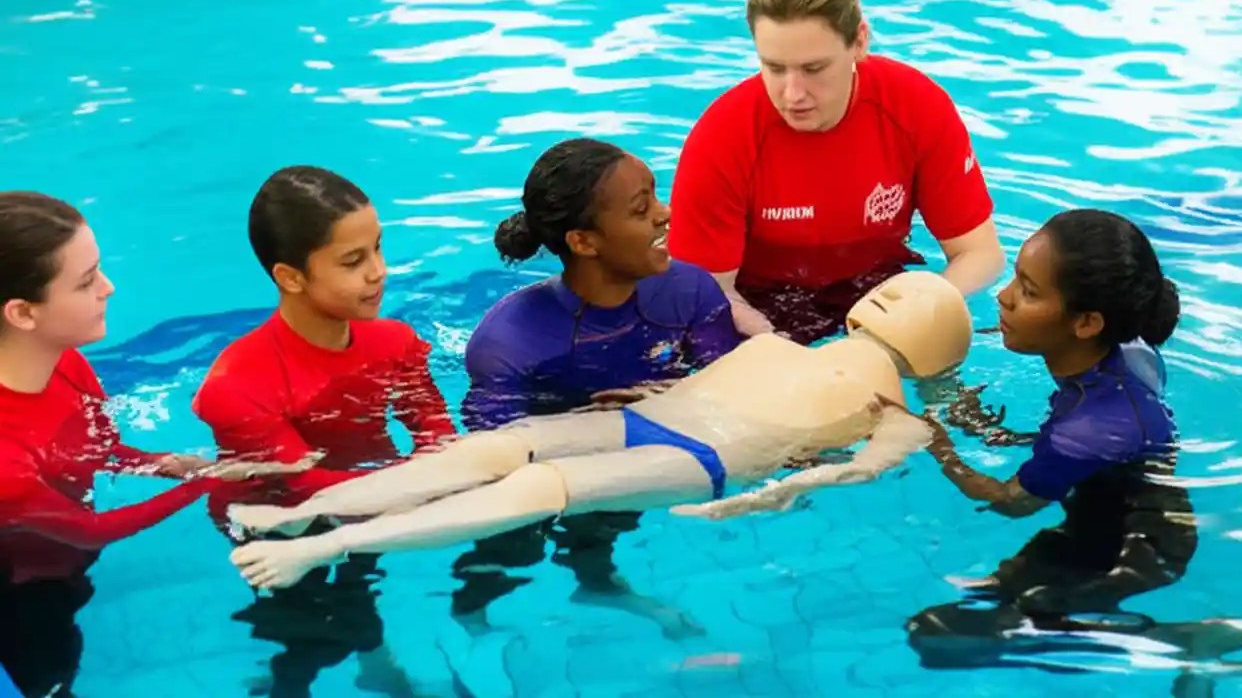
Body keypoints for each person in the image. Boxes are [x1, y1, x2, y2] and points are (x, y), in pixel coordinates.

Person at [222, 269, 972, 590]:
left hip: (684, 443)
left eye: (900, 297)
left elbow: (835, 471)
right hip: (673, 432)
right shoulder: (863, 395)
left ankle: (326, 534)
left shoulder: (871, 400)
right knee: (514, 462)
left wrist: (749, 500)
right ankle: (310, 516)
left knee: (527, 470)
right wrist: (756, 497)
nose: (889, 297)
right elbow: (838, 470)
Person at [905, 209, 1242, 686]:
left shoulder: (1087, 430)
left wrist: (934, 437)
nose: (1003, 297)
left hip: (1137, 545)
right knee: (971, 607)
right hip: (1110, 508)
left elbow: (1009, 501)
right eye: (1015, 278)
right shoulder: (1128, 349)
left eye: (1029, 292)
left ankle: (1183, 641)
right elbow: (1081, 452)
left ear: (1087, 322)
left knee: (943, 636)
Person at [453, 138, 741, 638]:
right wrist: (601, 429)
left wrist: (676, 402)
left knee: (614, 505)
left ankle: (598, 581)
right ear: (584, 242)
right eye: (641, 208)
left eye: (655, 196)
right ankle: (470, 615)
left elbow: (741, 385)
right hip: (553, 452)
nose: (665, 212)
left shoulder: (689, 291)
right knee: (519, 532)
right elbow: (491, 459)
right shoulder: (510, 340)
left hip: (633, 456)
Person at [0, 192, 283, 698]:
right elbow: (92, 531)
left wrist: (176, 466)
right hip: (23, 590)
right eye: (86, 282)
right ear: (22, 312)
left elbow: (102, 447)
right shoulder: (5, 459)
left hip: (57, 550)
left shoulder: (65, 361)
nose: (109, 288)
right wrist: (205, 481)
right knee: (50, 675)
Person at [191, 167, 455, 698]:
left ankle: (372, 661)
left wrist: (440, 464)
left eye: (378, 249)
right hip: (275, 522)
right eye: (353, 262)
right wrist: (422, 483)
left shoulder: (394, 342)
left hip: (374, 486)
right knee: (306, 631)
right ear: (291, 277)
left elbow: (432, 424)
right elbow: (304, 487)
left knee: (359, 588)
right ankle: (288, 684)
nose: (379, 272)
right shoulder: (238, 384)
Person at [667, 0, 1005, 345]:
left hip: (878, 289)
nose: (793, 94)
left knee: (939, 364)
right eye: (775, 68)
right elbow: (707, 296)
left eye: (813, 69)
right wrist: (775, 343)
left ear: (859, 42)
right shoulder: (721, 138)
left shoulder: (916, 108)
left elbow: (980, 253)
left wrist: (918, 309)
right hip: (761, 301)